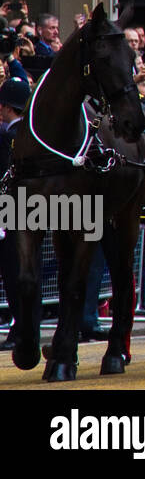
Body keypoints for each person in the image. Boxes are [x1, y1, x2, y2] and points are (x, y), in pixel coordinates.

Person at [0, 76, 38, 350]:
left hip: (11, 214)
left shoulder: (8, 137)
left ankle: (23, 329)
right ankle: (24, 327)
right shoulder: (34, 133)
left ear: (7, 107)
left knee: (16, 276)